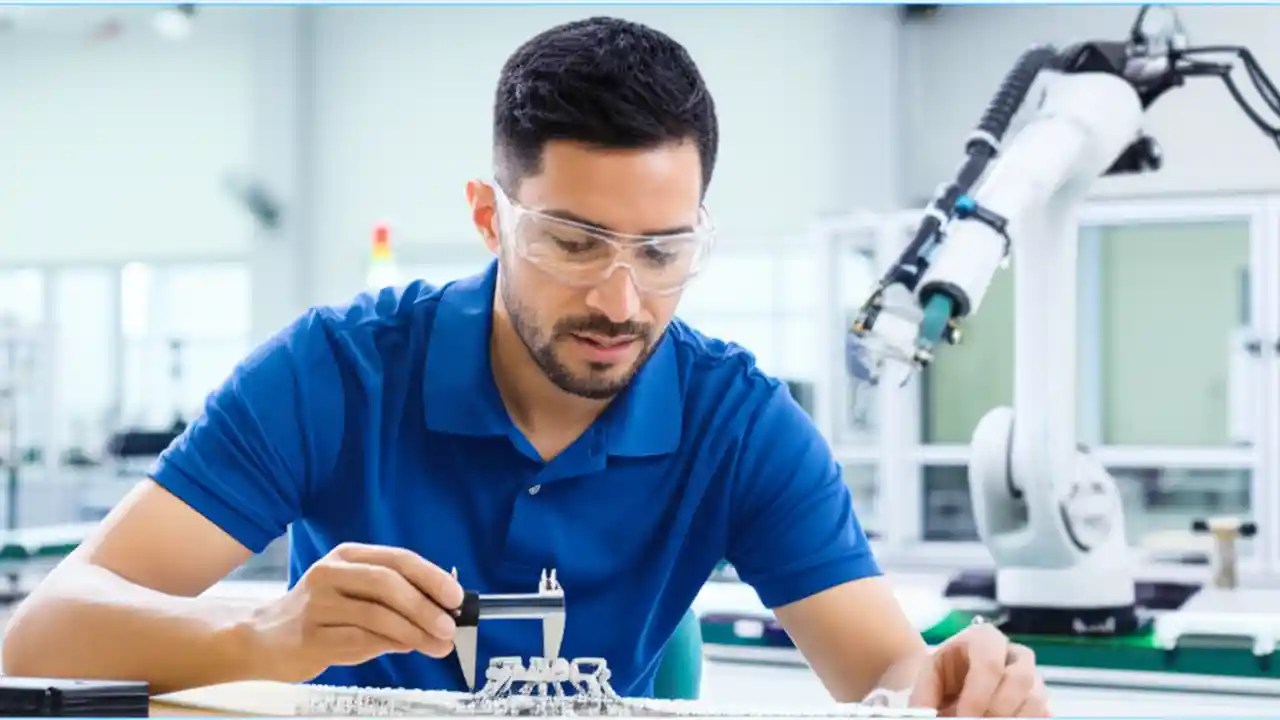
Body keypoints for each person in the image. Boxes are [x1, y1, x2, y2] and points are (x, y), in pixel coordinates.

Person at [2, 16, 1049, 717]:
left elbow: (881, 674)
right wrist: (265, 634)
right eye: (573, 243)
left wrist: (949, 683)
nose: (620, 300)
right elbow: (38, 636)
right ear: (487, 217)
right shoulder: (335, 375)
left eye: (663, 252)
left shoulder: (736, 422)